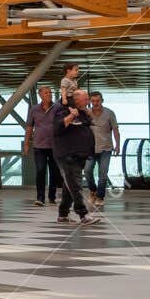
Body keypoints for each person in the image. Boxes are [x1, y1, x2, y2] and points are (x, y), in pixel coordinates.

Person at [52, 89, 99, 224]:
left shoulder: (83, 111)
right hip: (67, 155)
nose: (88, 102)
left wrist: (88, 115)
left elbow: (88, 125)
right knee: (76, 185)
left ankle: (63, 214)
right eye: (85, 99)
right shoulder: (63, 110)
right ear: (76, 99)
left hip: (80, 156)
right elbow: (58, 128)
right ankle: (83, 214)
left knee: (70, 185)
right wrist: (72, 116)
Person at [23, 86, 60, 209]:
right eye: (46, 93)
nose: (49, 94)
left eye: (50, 92)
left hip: (55, 145)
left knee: (54, 172)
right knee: (40, 170)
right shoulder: (34, 109)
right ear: (40, 95)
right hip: (39, 145)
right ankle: (40, 198)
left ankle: (52, 196)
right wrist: (26, 143)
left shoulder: (57, 108)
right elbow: (29, 126)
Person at [87, 91, 119, 209]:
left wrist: (118, 145)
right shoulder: (87, 113)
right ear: (90, 101)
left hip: (106, 148)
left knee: (103, 174)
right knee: (87, 170)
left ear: (102, 101)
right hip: (90, 148)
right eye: (93, 101)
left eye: (98, 101)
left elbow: (115, 130)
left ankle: (100, 197)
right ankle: (93, 191)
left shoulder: (110, 113)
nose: (96, 103)